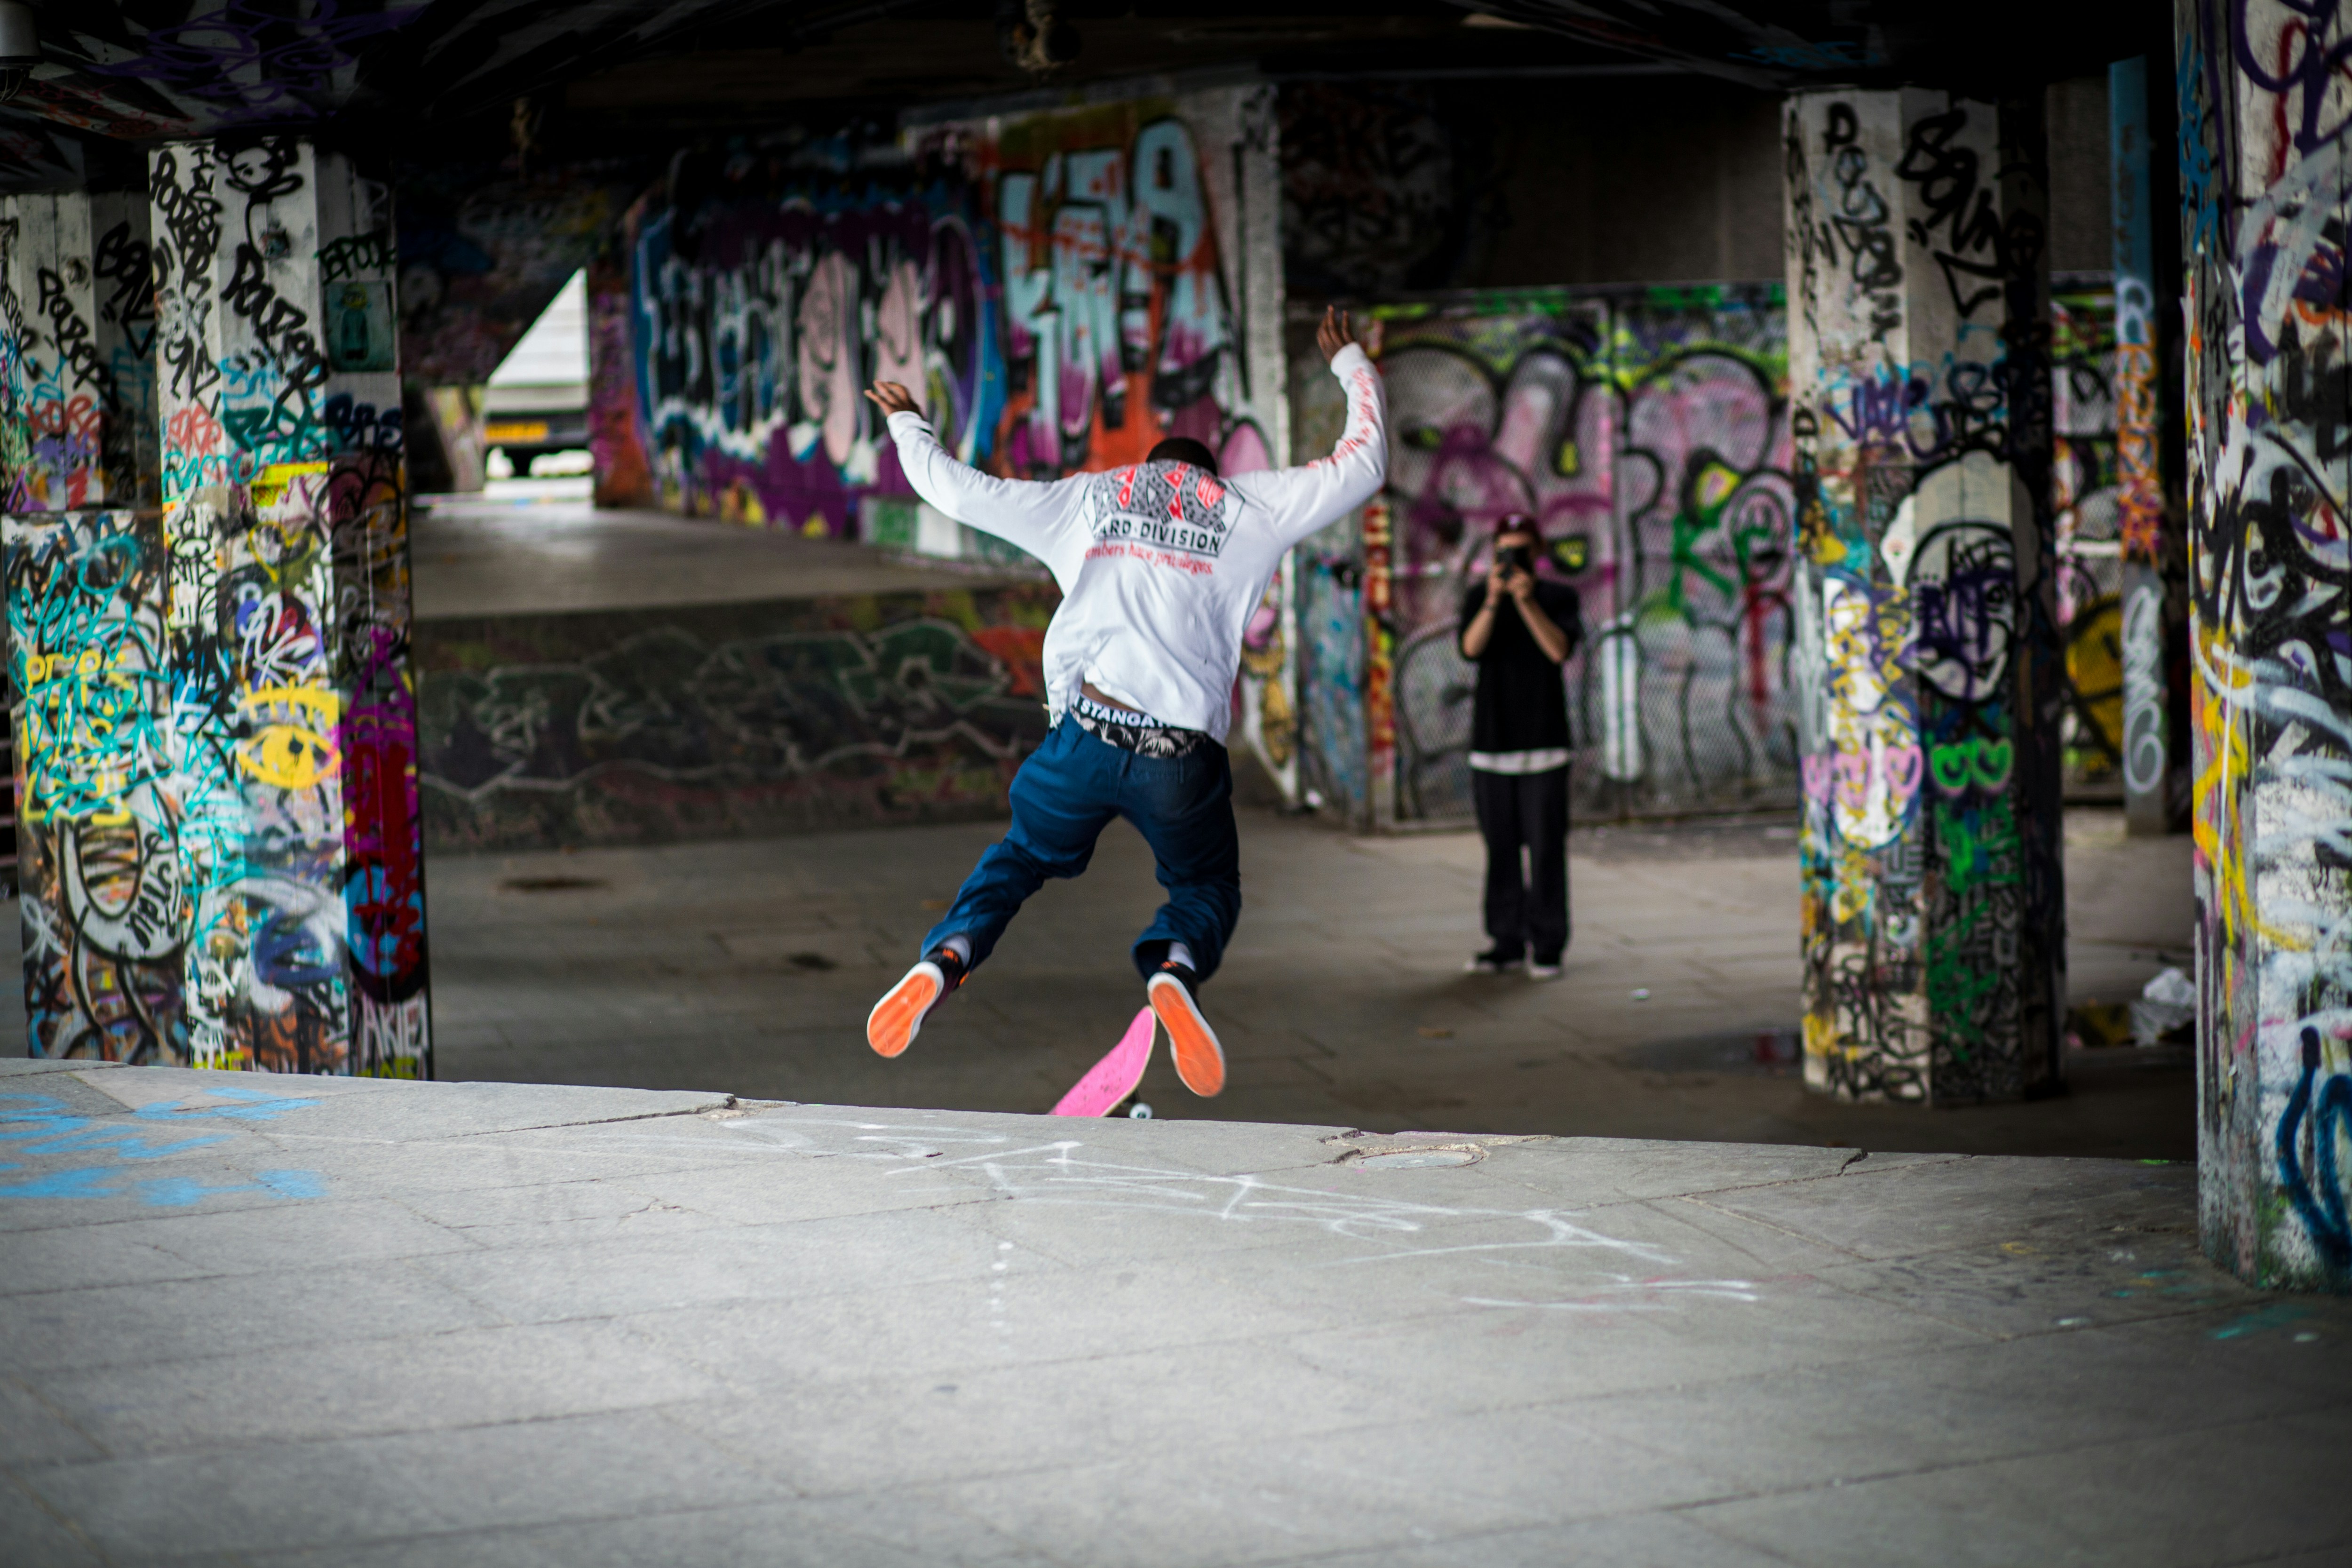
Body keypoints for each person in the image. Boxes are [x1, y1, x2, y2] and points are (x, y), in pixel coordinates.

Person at [860, 307, 1388, 1097]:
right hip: (1180, 763)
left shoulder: (1090, 499)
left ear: (1151, 470)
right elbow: (1364, 461)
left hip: (1084, 740)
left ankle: (947, 958)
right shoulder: (1254, 506)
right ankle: (1174, 968)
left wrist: (908, 425)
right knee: (1206, 884)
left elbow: (957, 491)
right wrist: (1350, 359)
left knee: (1023, 856)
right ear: (1211, 477)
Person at [1458, 514, 1582, 979]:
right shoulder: (1478, 598)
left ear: (1537, 552)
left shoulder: (1557, 598)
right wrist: (1493, 600)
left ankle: (1547, 943)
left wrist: (1527, 603)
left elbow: (1557, 651)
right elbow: (1470, 650)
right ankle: (1505, 941)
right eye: (1503, 552)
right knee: (1500, 849)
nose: (1511, 562)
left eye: (1520, 552)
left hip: (1544, 744)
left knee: (1546, 848)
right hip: (1492, 744)